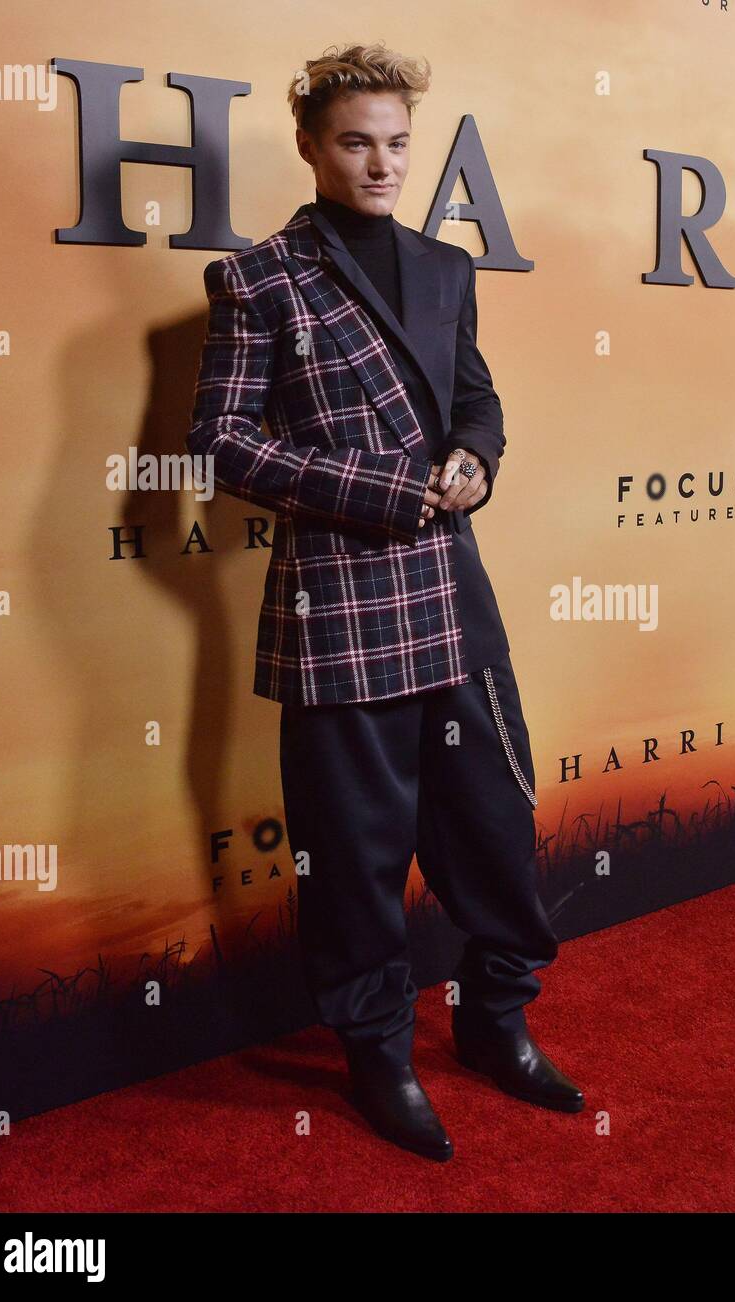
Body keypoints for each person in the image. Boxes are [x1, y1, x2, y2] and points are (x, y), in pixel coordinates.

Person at [187, 41, 581, 1162]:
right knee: (353, 853)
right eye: (356, 142)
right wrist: (389, 491)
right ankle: (377, 1056)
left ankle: (496, 1024)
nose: (380, 163)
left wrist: (473, 458)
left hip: (452, 593)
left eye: (398, 144)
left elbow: (479, 401)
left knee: (496, 829)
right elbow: (219, 442)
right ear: (311, 145)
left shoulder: (446, 268)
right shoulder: (258, 277)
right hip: (337, 607)